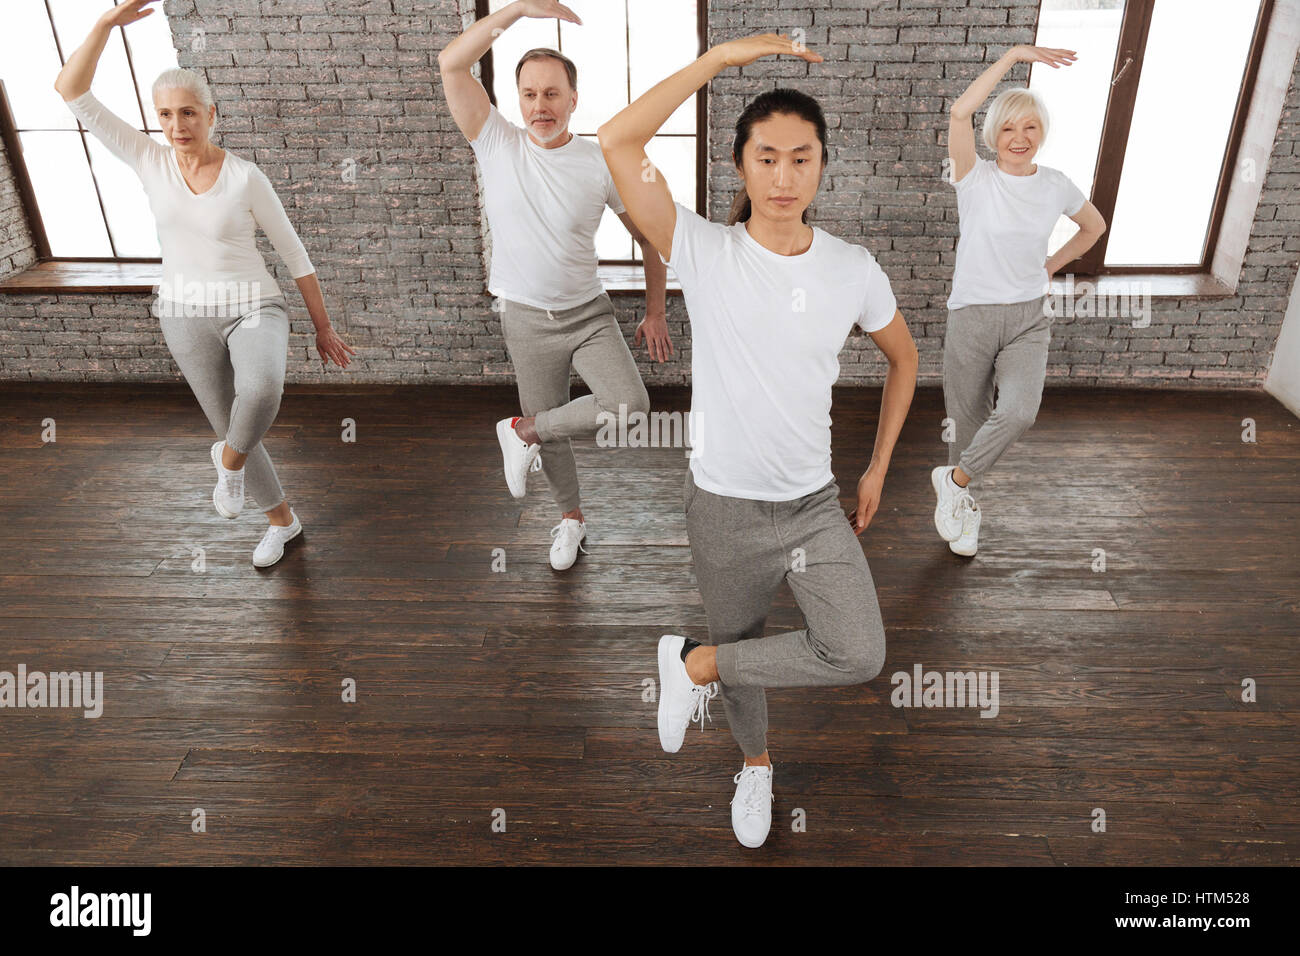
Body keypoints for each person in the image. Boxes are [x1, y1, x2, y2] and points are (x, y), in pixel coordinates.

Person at [598, 34, 918, 849]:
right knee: (744, 645)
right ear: (740, 167)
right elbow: (617, 141)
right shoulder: (702, 250)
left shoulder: (852, 267)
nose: (783, 176)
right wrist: (717, 62)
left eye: (800, 159)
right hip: (725, 508)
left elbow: (905, 358)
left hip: (813, 507)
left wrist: (879, 464)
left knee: (857, 651)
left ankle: (692, 665)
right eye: (766, 157)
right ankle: (756, 765)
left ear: (820, 168)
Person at [54, 0, 354, 568]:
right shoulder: (147, 158)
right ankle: (282, 523)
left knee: (259, 395)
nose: (177, 126)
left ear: (210, 114)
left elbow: (294, 253)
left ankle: (230, 464)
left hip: (253, 305)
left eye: (188, 113)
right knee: (231, 423)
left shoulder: (245, 176)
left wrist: (322, 326)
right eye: (165, 115)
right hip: (183, 314)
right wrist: (102, 27)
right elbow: (72, 91)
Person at [438, 0, 671, 571]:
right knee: (557, 432)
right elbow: (450, 64)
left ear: (573, 99)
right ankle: (570, 520)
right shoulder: (495, 142)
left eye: (552, 93)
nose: (541, 106)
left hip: (588, 314)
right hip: (525, 319)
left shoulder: (599, 163)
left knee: (628, 405)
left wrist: (657, 310)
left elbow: (651, 236)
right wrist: (517, 10)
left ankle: (522, 431)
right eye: (530, 94)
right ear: (517, 101)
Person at [935, 45, 1107, 556]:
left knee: (1018, 412)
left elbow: (1093, 227)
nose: (1019, 138)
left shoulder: (1055, 185)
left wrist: (1049, 268)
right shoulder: (974, 177)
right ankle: (963, 503)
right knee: (964, 427)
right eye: (1009, 128)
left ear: (1042, 134)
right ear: (994, 135)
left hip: (1029, 318)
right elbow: (960, 111)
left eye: (1030, 128)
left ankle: (955, 483)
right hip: (971, 316)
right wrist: (1014, 55)